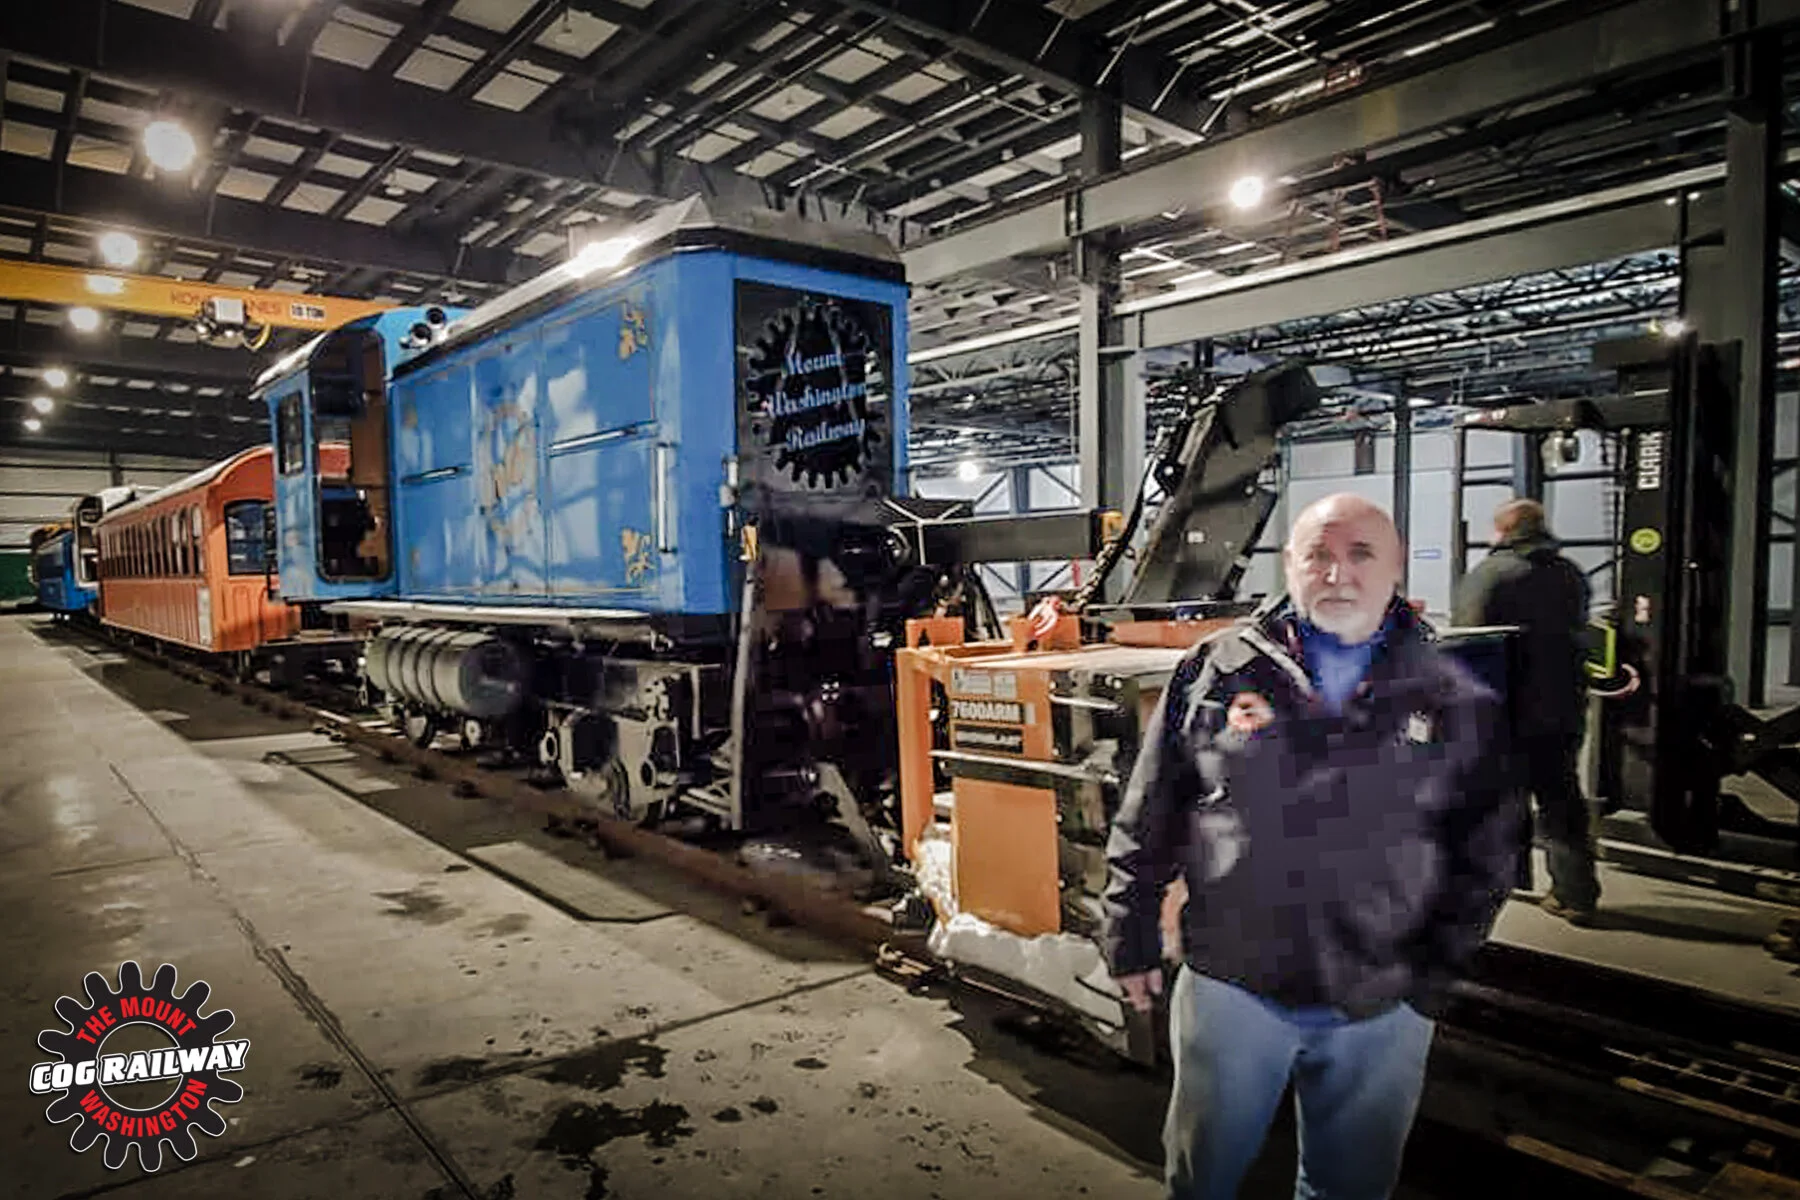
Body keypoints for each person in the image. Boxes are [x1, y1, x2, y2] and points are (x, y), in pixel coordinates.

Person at [1102, 492, 1519, 1200]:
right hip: (1233, 989)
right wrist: (1129, 929)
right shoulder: (1218, 669)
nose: (1338, 574)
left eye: (1361, 555)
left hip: (1380, 1005)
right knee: (1202, 1179)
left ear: (1396, 572)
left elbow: (1491, 847)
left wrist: (1432, 978)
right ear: (1289, 565)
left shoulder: (1452, 696)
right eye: (1317, 555)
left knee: (1347, 1189)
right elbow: (1153, 808)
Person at [1452, 498, 1597, 923]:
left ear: (1501, 531)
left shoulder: (1492, 574)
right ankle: (1576, 893)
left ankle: (1499, 885)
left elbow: (1469, 643)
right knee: (1562, 798)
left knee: (1497, 802)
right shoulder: (1570, 574)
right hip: (1563, 706)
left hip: (1508, 711)